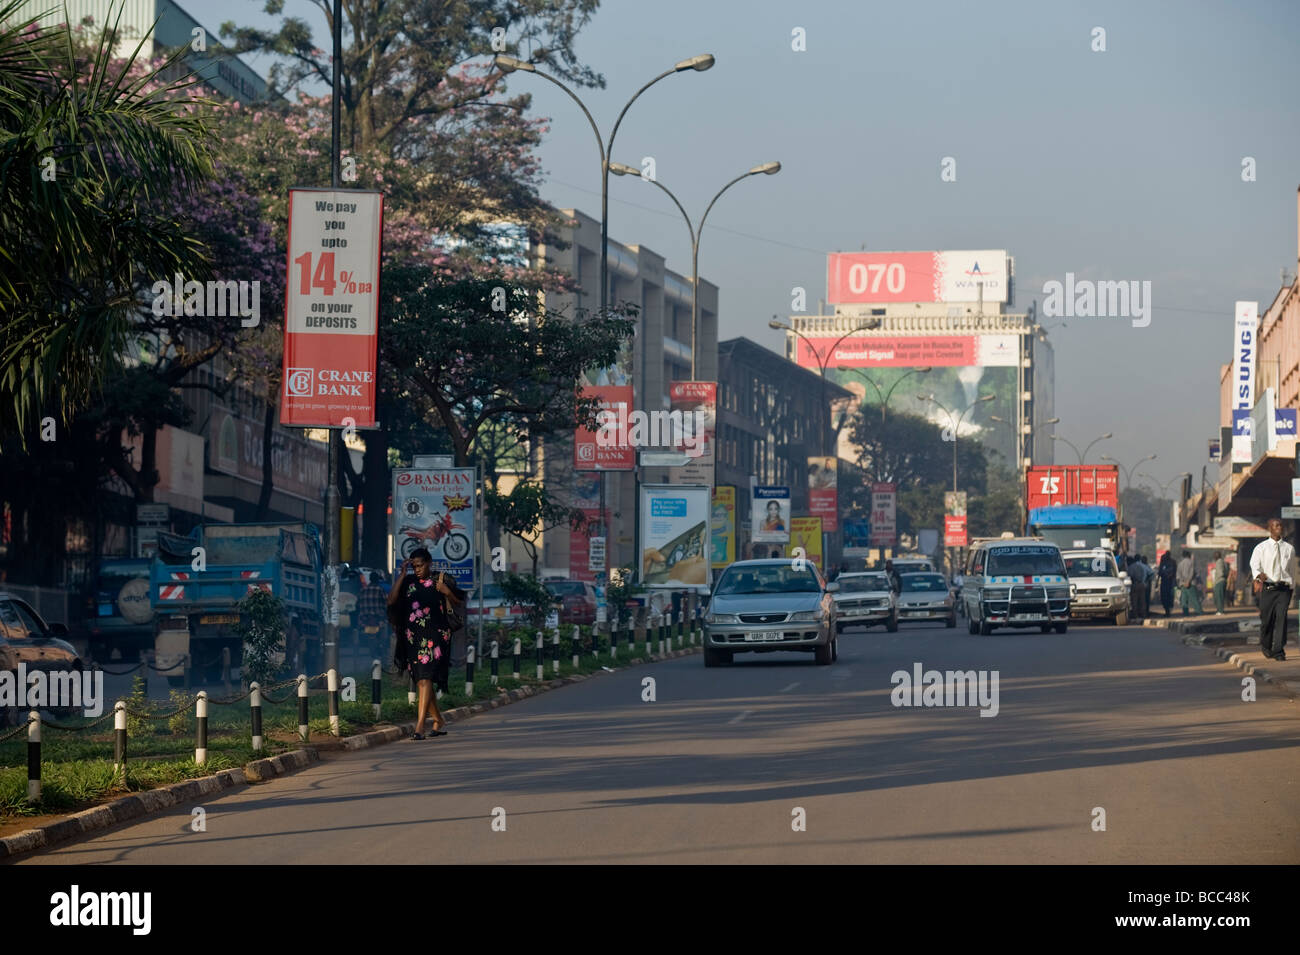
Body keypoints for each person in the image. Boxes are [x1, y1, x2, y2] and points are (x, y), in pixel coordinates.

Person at [388, 548, 465, 739]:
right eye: (414, 566)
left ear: (429, 562)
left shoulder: (441, 580)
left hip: (436, 635)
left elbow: (458, 603)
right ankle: (438, 719)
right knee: (422, 680)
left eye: (420, 565)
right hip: (413, 637)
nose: (418, 569)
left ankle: (419, 726)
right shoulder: (408, 582)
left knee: (425, 678)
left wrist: (447, 592)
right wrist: (402, 574)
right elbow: (391, 600)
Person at [1249, 518, 1294, 660]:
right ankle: (1266, 645)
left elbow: (1292, 570)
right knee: (1267, 620)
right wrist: (1258, 575)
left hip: (1283, 590)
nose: (1279, 528)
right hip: (1268, 589)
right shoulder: (1261, 548)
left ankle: (1279, 651)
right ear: (1269, 528)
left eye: (1280, 525)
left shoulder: (1289, 548)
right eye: (1275, 526)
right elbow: (1254, 565)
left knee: (1281, 619)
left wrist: (1291, 588)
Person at [358, 571, 390, 657]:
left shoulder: (363, 590)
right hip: (378, 619)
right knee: (385, 633)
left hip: (365, 619)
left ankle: (374, 652)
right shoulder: (380, 589)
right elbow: (386, 603)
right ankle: (381, 651)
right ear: (377, 580)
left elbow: (358, 604)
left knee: (371, 636)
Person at [1176, 550, 1201, 615]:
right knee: (1194, 598)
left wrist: (1183, 582)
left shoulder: (1180, 563)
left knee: (1184, 600)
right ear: (1189, 555)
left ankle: (1185, 613)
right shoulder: (1191, 562)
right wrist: (1188, 581)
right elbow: (1192, 573)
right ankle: (1199, 611)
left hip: (1183, 584)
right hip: (1191, 583)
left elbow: (1178, 575)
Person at [1157, 552, 1177, 617]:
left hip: (1167, 582)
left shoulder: (1166, 562)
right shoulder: (1170, 562)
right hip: (1168, 582)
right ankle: (1168, 611)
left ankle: (1168, 611)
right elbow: (1160, 573)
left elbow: (1160, 573)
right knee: (1167, 597)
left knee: (1166, 597)